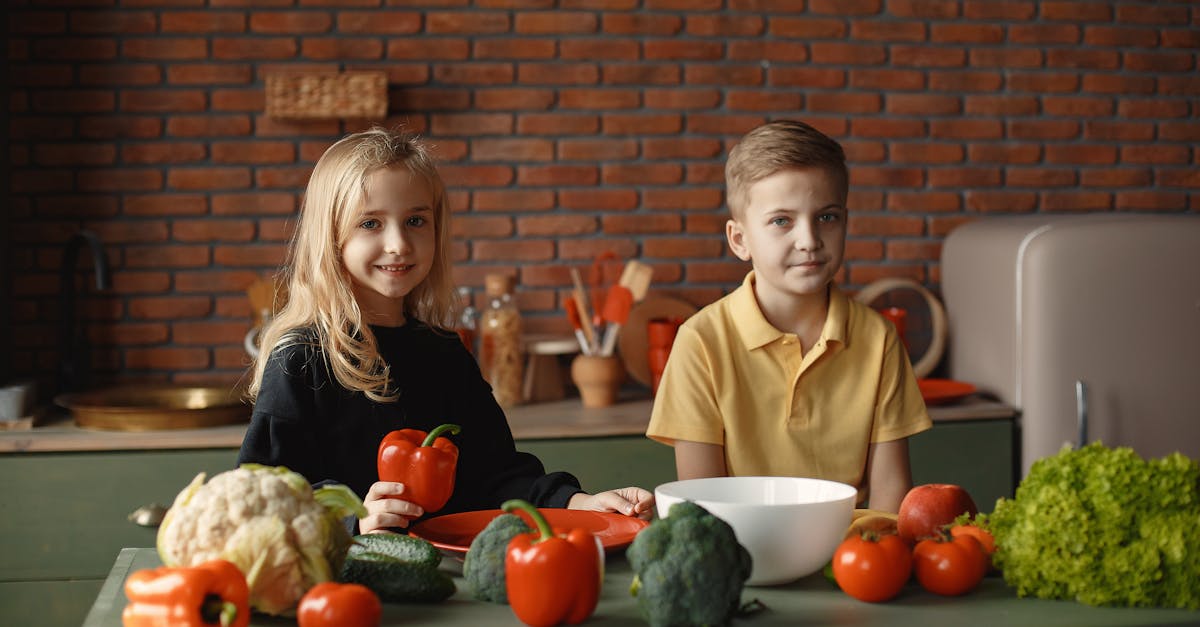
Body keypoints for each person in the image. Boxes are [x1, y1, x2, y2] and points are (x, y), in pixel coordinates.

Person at [239, 127, 653, 533]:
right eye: (370, 224)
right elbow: (261, 497)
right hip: (346, 585)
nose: (399, 243)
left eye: (415, 220)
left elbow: (497, 475)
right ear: (330, 238)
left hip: (450, 577)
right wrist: (350, 520)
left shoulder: (445, 354)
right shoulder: (300, 358)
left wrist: (580, 503)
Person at [645, 120, 931, 512]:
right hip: (743, 562)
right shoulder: (701, 341)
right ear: (739, 240)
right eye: (782, 220)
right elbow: (702, 506)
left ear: (846, 221)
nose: (809, 240)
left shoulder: (878, 339)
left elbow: (890, 502)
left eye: (827, 217)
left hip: (853, 563)